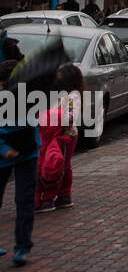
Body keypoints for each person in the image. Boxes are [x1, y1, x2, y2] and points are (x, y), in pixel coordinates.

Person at [0, 59, 39, 266]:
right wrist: (4, 150)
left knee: (24, 202)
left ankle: (22, 247)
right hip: (3, 156)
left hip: (28, 155)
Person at [35, 62, 82, 213]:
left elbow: (70, 116)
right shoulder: (59, 94)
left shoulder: (72, 95)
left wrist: (47, 115)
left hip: (64, 136)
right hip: (54, 133)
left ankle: (50, 199)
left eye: (59, 76)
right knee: (59, 164)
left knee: (56, 164)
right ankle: (63, 196)